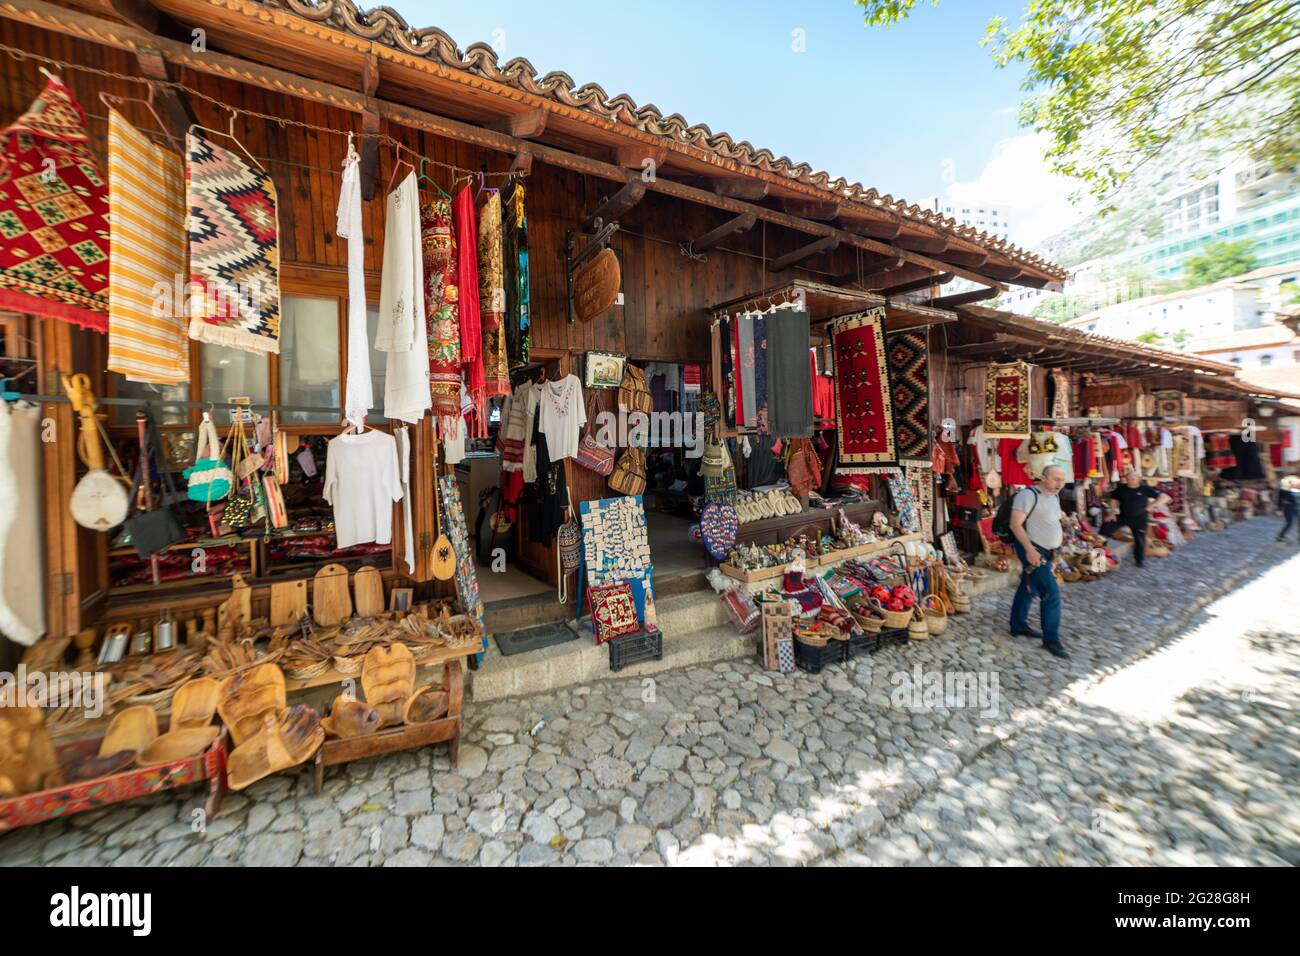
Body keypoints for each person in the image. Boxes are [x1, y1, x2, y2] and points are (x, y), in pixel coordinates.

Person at [1008, 464, 1070, 659]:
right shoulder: (1027, 495)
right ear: (1043, 478)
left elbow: (1050, 521)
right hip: (1034, 550)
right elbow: (1015, 524)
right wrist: (1029, 550)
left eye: (1062, 479)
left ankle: (1017, 625)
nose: (1060, 483)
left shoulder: (1055, 496)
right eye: (1055, 479)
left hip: (1048, 551)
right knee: (1051, 592)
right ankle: (1051, 638)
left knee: (1029, 587)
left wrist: (1057, 550)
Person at [1109, 468, 1169, 568]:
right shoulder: (1120, 488)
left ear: (1138, 479)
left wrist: (1152, 505)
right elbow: (1113, 499)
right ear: (1126, 479)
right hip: (1123, 517)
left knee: (1139, 539)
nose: (1131, 480)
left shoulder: (1145, 489)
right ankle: (1102, 554)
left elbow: (1165, 497)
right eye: (1129, 478)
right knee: (1106, 528)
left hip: (1140, 518)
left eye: (1134, 478)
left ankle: (1139, 560)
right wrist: (1112, 512)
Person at [1278, 474, 1300, 543]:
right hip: (1289, 507)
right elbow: (1280, 500)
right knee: (1289, 523)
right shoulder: (1284, 490)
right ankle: (1281, 536)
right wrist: (1279, 509)